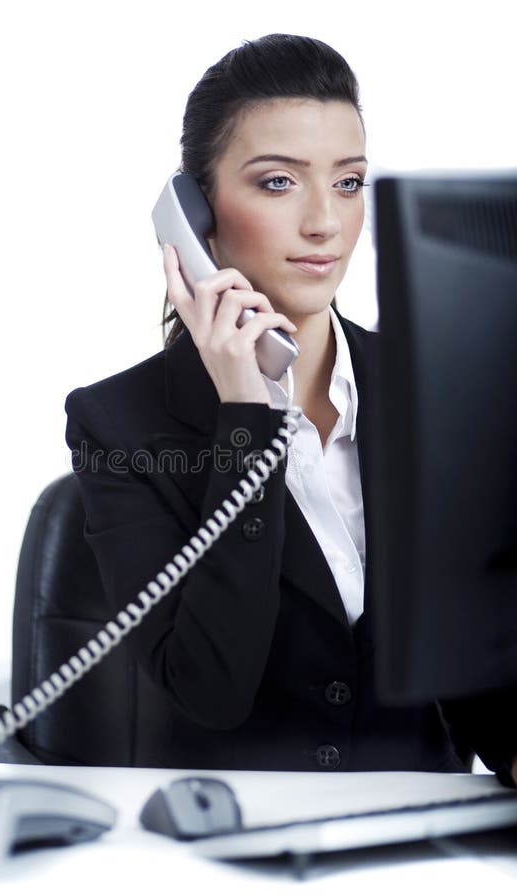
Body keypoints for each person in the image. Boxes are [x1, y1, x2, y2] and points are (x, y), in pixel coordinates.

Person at [65, 34, 517, 782]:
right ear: (194, 215)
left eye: (348, 182)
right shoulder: (121, 424)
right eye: (278, 183)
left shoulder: (437, 384)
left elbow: (476, 671)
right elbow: (210, 690)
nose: (325, 224)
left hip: (423, 848)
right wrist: (248, 414)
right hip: (228, 849)